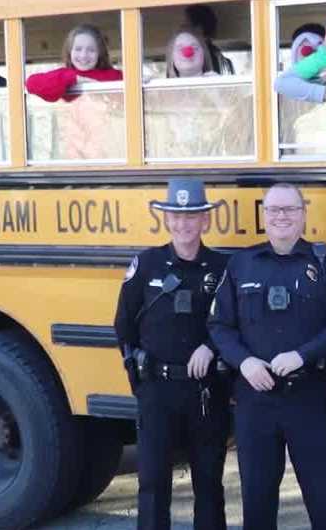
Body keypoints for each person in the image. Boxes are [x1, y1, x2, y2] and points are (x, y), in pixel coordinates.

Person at [208, 183, 326, 530]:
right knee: (257, 506)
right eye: (274, 210)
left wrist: (303, 356)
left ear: (304, 214)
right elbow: (218, 324)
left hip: (311, 400)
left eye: (290, 209)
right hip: (254, 401)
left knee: (324, 506)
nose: (282, 217)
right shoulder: (241, 264)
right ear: (264, 216)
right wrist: (243, 362)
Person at [114, 178, 230, 530]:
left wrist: (211, 348)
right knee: (152, 482)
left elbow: (236, 324)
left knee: (208, 482)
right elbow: (123, 326)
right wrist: (141, 382)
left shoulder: (222, 269)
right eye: (176, 216)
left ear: (205, 221)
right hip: (157, 391)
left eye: (192, 216)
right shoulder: (146, 265)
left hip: (205, 392)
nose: (183, 224)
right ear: (166, 220)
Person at [25, 24, 123, 102]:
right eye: (78, 49)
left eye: (91, 50)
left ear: (100, 53)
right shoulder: (65, 75)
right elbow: (31, 83)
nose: (83, 55)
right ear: (69, 51)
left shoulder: (116, 76)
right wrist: (76, 78)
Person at [184, 4, 235, 75]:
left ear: (199, 28)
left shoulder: (197, 56)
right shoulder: (219, 55)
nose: (183, 30)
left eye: (186, 25)